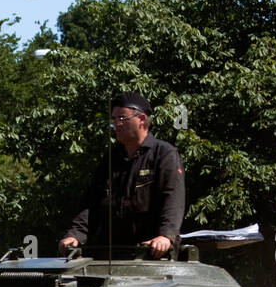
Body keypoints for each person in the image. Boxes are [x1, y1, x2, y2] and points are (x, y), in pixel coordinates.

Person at [58, 93, 185, 258]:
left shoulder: (164, 154)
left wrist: (166, 236)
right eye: (114, 119)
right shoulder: (111, 158)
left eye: (122, 118)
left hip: (149, 253)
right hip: (110, 253)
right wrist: (75, 234)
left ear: (141, 119)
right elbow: (91, 203)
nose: (116, 124)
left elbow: (172, 197)